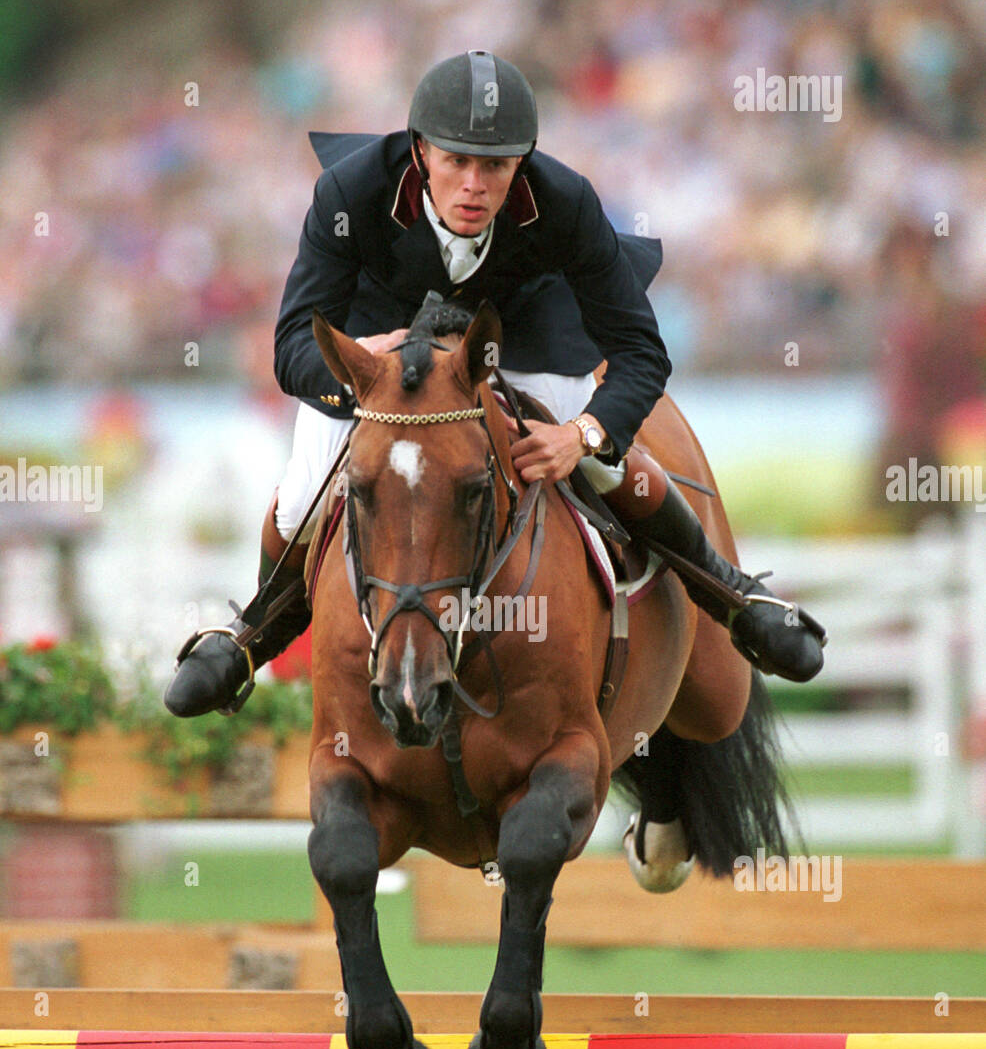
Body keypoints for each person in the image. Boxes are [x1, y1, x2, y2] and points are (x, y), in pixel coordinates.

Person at [165, 50, 824, 718]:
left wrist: (583, 435)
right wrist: (364, 381)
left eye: (496, 166)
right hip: (381, 340)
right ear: (421, 152)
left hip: (522, 326)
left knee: (606, 468)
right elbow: (289, 350)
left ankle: (735, 598)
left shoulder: (563, 202)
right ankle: (250, 637)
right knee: (301, 492)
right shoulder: (350, 193)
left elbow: (639, 352)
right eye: (456, 161)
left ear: (523, 161)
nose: (475, 185)